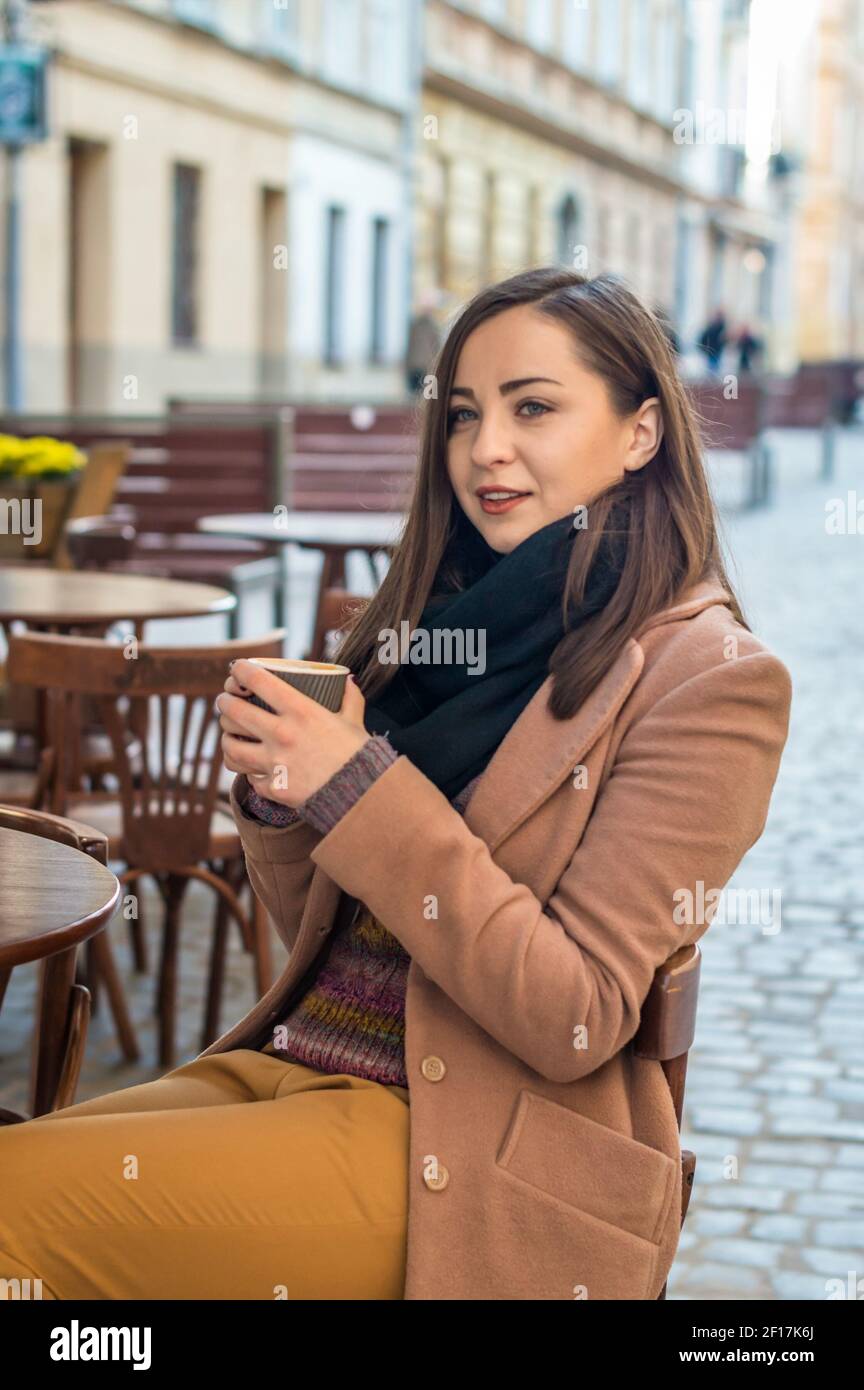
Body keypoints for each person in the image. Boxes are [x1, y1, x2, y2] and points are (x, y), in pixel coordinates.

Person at [0, 268, 792, 1301]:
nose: (486, 449)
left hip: (473, 1153)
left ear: (641, 432)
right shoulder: (448, 622)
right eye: (463, 415)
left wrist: (360, 783)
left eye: (534, 408)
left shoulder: (712, 681)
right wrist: (290, 801)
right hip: (300, 1067)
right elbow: (329, 932)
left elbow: (576, 1014)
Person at [697, 307, 727, 374]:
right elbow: (703, 339)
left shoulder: (723, 327)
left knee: (717, 371)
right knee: (711, 371)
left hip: (719, 353)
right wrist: (704, 349)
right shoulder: (711, 328)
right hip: (711, 353)